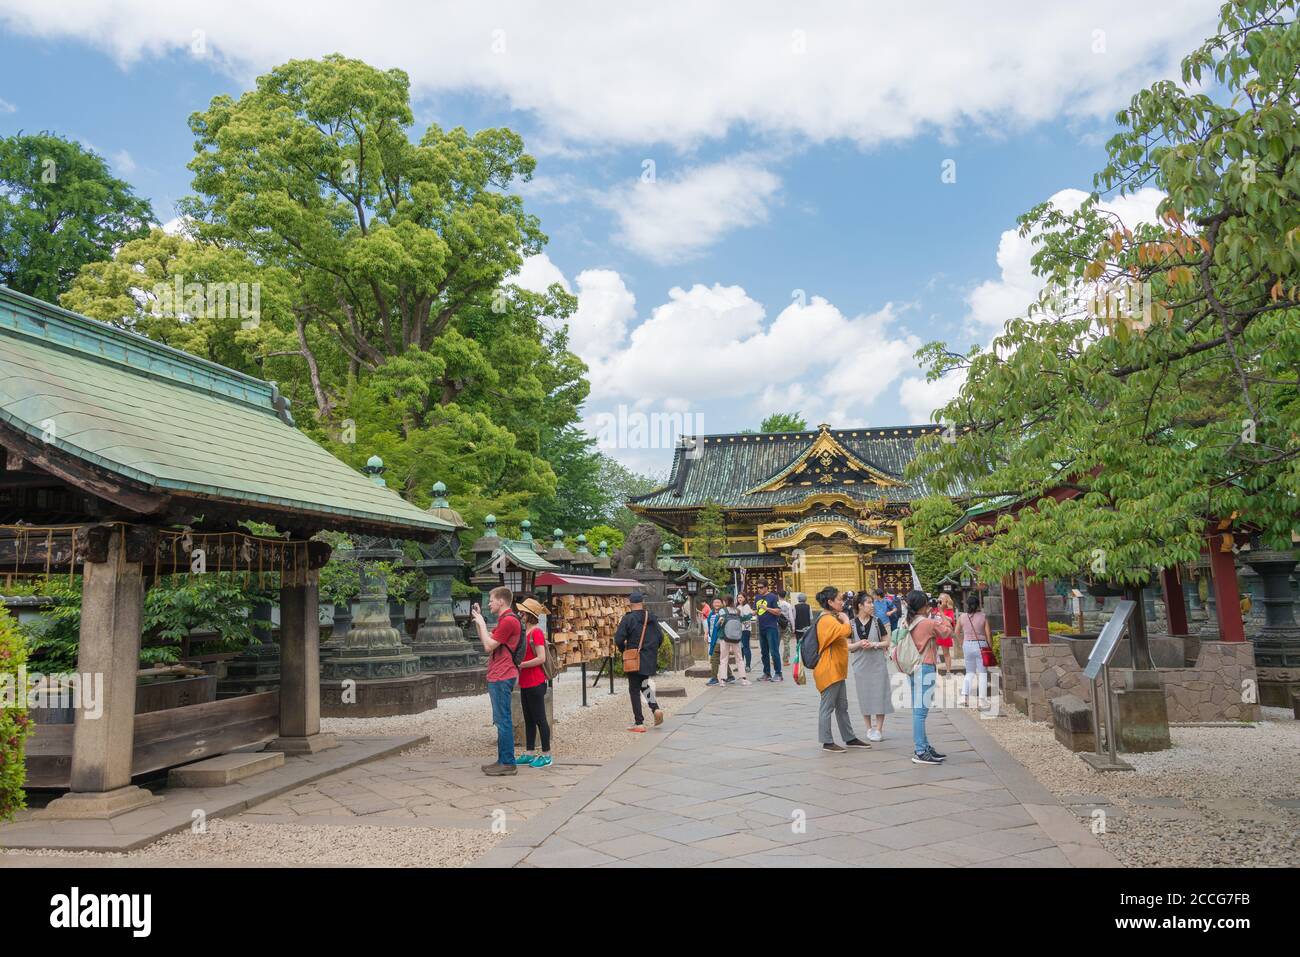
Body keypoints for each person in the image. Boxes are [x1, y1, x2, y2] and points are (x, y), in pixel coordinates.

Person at [812, 585, 870, 753]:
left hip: (836, 669)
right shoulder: (827, 620)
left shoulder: (830, 617)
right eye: (839, 599)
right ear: (830, 602)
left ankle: (849, 737)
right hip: (829, 669)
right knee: (827, 707)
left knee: (842, 706)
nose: (842, 602)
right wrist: (845, 619)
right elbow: (845, 631)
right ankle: (826, 741)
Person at [471, 586, 522, 776]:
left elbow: (488, 645)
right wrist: (479, 622)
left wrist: (483, 624)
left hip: (502, 674)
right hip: (499, 674)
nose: (489, 603)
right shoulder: (505, 620)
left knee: (503, 721)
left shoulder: (509, 621)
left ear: (501, 601)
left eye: (491, 600)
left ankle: (508, 762)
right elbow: (489, 639)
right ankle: (502, 760)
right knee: (501, 720)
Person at [901, 590, 954, 765]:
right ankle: (920, 750)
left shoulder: (907, 621)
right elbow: (948, 632)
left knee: (918, 710)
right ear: (924, 605)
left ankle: (924, 745)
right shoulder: (927, 623)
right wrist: (941, 613)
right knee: (921, 711)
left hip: (913, 667)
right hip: (925, 666)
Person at [614, 590, 665, 731]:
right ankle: (655, 709)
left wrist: (624, 650)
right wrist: (651, 651)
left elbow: (618, 639)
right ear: (642, 603)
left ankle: (639, 722)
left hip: (634, 659)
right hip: (649, 657)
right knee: (643, 684)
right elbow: (660, 638)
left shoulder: (628, 619)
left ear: (630, 604)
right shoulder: (652, 617)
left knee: (634, 689)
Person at [848, 592, 894, 742]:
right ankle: (868, 728)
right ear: (860, 605)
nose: (872, 605)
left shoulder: (877, 622)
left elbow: (887, 642)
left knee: (880, 694)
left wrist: (874, 644)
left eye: (872, 602)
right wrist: (859, 644)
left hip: (877, 663)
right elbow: (847, 645)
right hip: (860, 665)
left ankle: (879, 729)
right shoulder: (851, 623)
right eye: (868, 602)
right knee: (864, 695)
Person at [515, 597, 552, 767]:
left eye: (523, 612)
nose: (520, 614)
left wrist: (522, 664)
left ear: (529, 615)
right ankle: (530, 752)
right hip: (526, 682)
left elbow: (541, 658)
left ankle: (546, 754)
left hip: (536, 681)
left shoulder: (536, 632)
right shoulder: (526, 632)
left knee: (540, 719)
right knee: (529, 718)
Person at [958, 594, 993, 710]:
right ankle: (982, 701)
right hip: (981, 645)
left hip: (967, 645)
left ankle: (964, 697)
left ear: (967, 604)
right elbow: (988, 634)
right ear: (978, 604)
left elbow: (956, 632)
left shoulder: (962, 617)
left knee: (969, 672)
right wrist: (990, 647)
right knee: (982, 674)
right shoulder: (983, 616)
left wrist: (961, 643)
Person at [715, 595, 749, 686]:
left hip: (724, 637)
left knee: (723, 658)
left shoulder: (723, 611)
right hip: (736, 638)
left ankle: (723, 680)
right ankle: (743, 679)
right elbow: (744, 618)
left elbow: (718, 624)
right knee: (739, 658)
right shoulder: (738, 611)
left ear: (725, 602)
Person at [758, 586, 783, 682]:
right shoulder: (757, 598)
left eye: (761, 587)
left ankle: (778, 673)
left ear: (766, 588)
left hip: (771, 628)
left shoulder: (773, 597)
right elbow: (758, 611)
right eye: (758, 587)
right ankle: (767, 673)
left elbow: (778, 612)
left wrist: (766, 608)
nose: (759, 589)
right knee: (764, 652)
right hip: (761, 628)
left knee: (774, 651)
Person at [935, 592, 957, 675]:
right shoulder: (935, 609)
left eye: (942, 599)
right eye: (939, 598)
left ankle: (948, 671)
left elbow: (950, 620)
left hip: (945, 632)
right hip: (936, 632)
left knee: (946, 653)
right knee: (933, 652)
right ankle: (934, 670)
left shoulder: (949, 610)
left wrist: (941, 612)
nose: (940, 600)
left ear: (946, 601)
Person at [704, 597, 724, 686]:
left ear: (722, 603)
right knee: (721, 658)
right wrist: (706, 633)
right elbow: (709, 625)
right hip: (712, 638)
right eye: (715, 602)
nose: (716, 604)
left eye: (718, 602)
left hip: (719, 638)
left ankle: (714, 678)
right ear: (712, 604)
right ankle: (730, 676)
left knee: (714, 658)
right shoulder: (711, 613)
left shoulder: (723, 613)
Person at [736, 593, 756, 673]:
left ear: (744, 598)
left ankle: (748, 665)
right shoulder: (737, 607)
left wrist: (738, 618)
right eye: (738, 597)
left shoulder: (746, 606)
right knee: (740, 648)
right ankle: (741, 665)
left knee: (746, 647)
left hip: (745, 629)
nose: (739, 599)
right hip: (738, 629)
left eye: (741, 597)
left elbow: (746, 617)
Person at [790, 592, 811, 664]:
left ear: (798, 599)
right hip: (807, 628)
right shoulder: (808, 606)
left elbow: (794, 617)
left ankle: (799, 657)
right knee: (806, 642)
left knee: (798, 642)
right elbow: (811, 617)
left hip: (798, 628)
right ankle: (806, 658)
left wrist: (793, 627)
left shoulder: (795, 607)